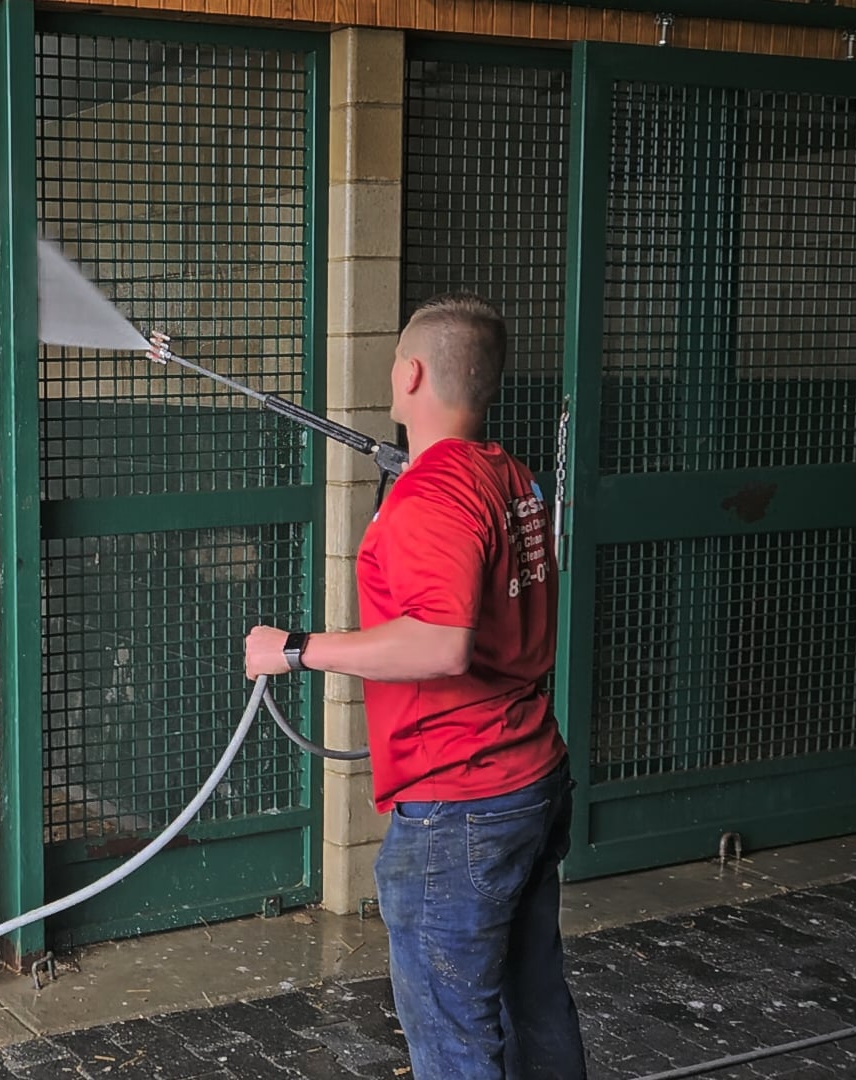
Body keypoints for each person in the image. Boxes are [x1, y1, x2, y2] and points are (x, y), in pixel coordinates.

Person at [223, 293, 586, 1080]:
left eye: (394, 359)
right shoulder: (507, 475)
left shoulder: (433, 497)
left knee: (453, 1032)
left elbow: (440, 642)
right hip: (529, 776)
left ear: (412, 371)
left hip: (462, 806)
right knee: (533, 997)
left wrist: (296, 649)